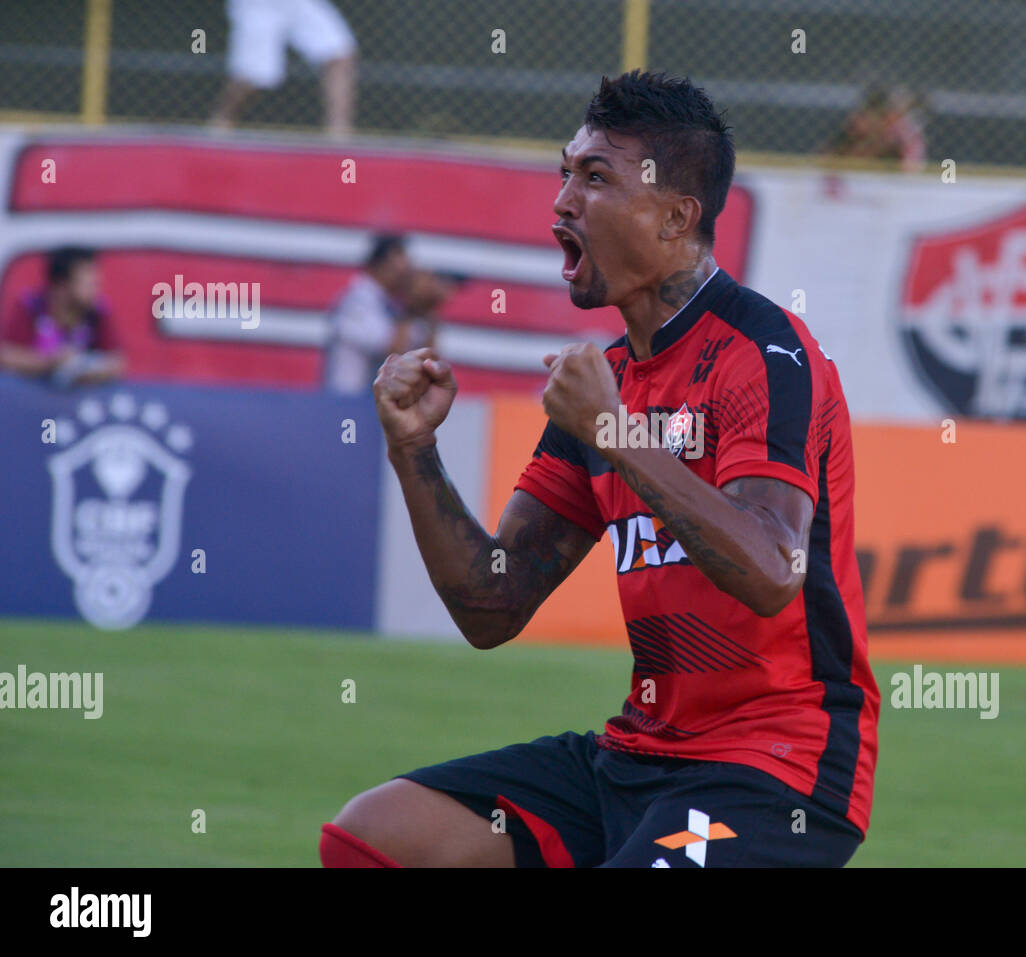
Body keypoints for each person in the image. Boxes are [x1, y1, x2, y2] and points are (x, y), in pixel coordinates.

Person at [323, 71, 880, 868]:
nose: (562, 201)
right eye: (565, 173)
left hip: (774, 768)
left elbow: (772, 568)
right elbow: (493, 604)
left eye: (594, 178)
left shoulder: (764, 352)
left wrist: (615, 430)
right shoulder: (605, 384)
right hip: (637, 758)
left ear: (675, 217)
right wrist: (415, 451)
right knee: (371, 837)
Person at [211, 0, 357, 138]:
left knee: (339, 55)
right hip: (260, 5)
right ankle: (221, 124)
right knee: (253, 77)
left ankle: (338, 136)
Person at [322, 234, 446, 395]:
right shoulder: (358, 301)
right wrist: (412, 305)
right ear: (382, 264)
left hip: (373, 406)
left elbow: (428, 358)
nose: (407, 272)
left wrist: (428, 310)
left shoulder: (391, 305)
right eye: (401, 263)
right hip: (347, 405)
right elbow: (393, 352)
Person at [0, 246, 124, 387]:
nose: (97, 289)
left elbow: (117, 362)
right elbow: (6, 355)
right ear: (62, 285)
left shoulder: (97, 313)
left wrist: (84, 370)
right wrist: (50, 363)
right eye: (89, 284)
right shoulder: (31, 308)